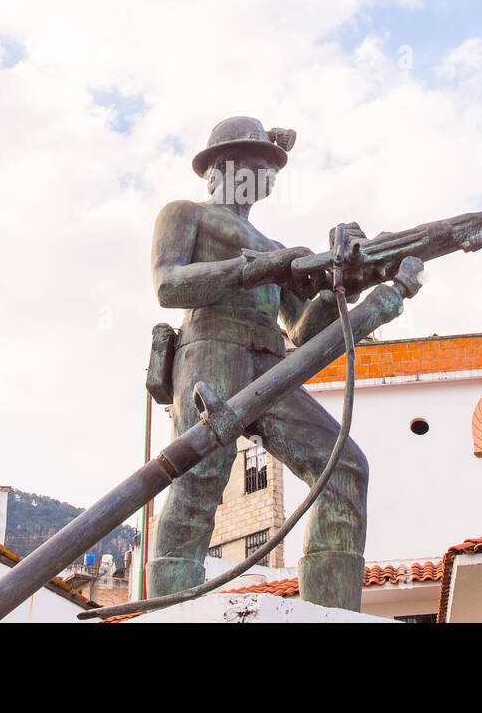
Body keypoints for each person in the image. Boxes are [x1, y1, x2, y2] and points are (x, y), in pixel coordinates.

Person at [146, 116, 369, 610]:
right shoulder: (187, 214)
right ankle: (171, 614)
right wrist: (255, 268)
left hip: (271, 360)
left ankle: (330, 613)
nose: (264, 175)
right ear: (219, 169)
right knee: (201, 476)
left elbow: (303, 331)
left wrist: (343, 287)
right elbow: (169, 284)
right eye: (255, 164)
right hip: (211, 349)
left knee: (344, 467)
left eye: (268, 167)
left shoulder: (276, 248)